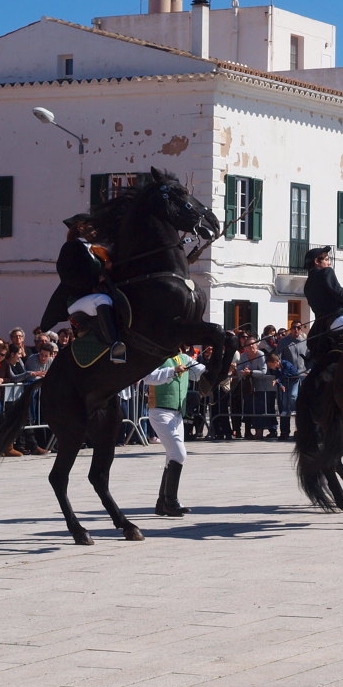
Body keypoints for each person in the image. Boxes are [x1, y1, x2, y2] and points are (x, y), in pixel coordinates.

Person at [40, 213, 126, 363]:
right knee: (102, 299)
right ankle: (114, 345)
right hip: (74, 298)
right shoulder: (71, 247)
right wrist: (97, 279)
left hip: (89, 298)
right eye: (92, 228)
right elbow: (67, 276)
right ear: (80, 228)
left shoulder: (95, 250)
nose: (95, 231)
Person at [142, 349, 206, 516]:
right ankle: (171, 501)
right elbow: (148, 377)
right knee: (179, 454)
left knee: (172, 455)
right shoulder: (156, 356)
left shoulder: (184, 358)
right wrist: (173, 370)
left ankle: (163, 502)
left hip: (177, 412)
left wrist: (225, 368)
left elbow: (201, 372)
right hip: (160, 411)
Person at [302, 246, 343, 355]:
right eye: (327, 259)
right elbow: (339, 293)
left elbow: (332, 299)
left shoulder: (307, 285)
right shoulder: (326, 272)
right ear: (316, 261)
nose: (329, 263)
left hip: (326, 327)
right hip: (340, 319)